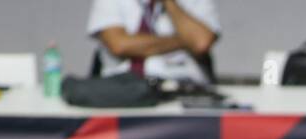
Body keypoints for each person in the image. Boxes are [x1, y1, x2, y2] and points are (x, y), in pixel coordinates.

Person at [87, 0, 219, 85]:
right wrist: (184, 41)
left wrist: (169, 2)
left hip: (182, 88)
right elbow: (119, 45)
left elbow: (201, 42)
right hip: (121, 89)